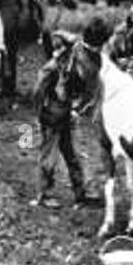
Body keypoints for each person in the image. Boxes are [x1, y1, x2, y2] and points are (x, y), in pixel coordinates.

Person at [29, 20, 99, 210]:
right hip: (52, 117)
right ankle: (45, 194)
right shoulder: (52, 68)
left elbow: (85, 89)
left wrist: (76, 107)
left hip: (67, 115)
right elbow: (37, 93)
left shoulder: (74, 65)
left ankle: (83, 192)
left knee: (75, 155)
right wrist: (42, 116)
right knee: (49, 158)